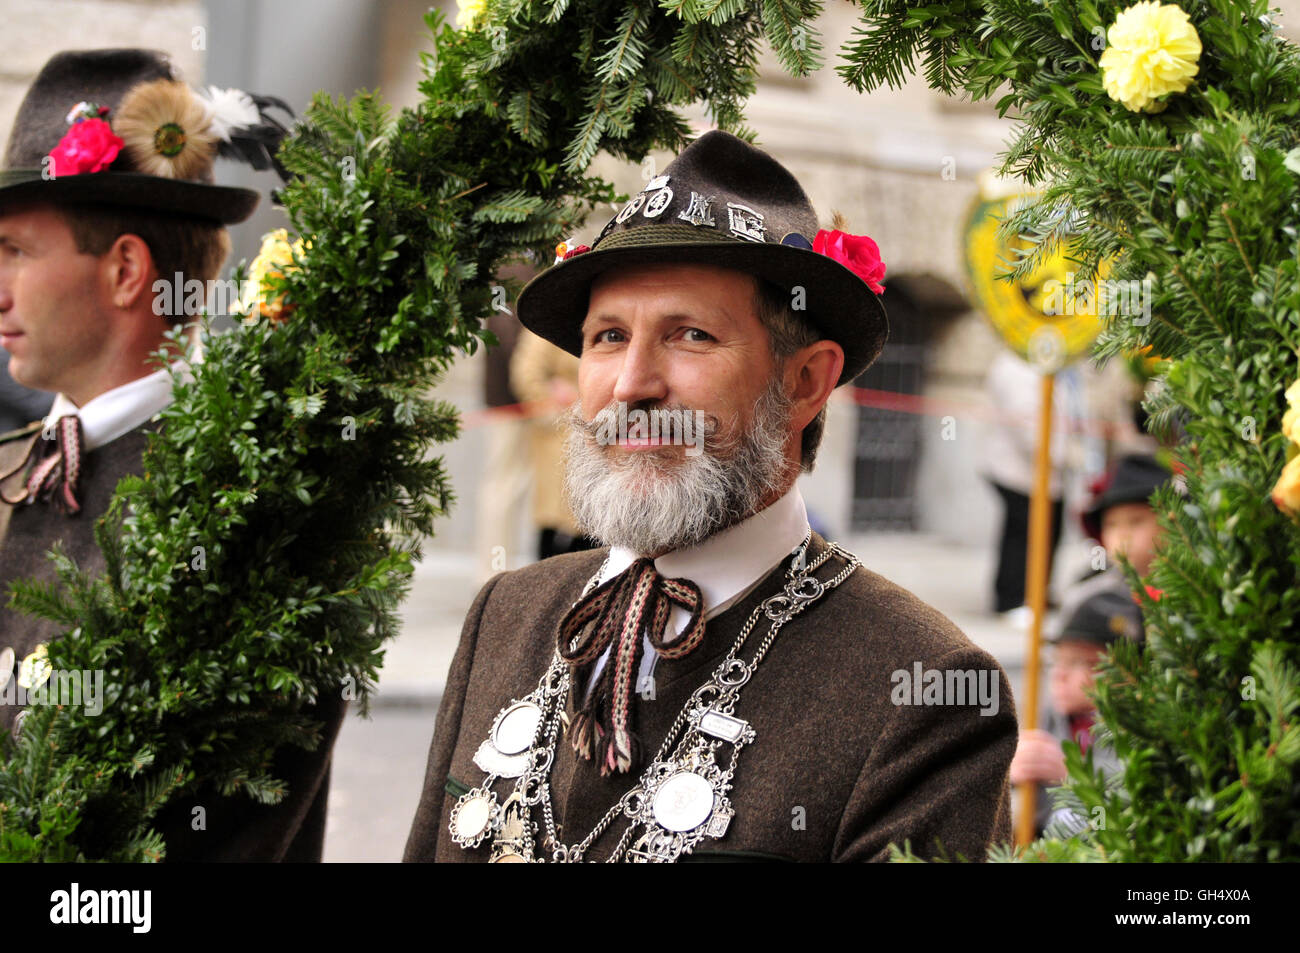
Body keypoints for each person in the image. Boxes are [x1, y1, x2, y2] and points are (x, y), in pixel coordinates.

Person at [405, 130, 1017, 863]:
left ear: (805, 383)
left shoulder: (922, 688)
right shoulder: (504, 615)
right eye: (606, 337)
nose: (632, 383)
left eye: (689, 335)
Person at [0, 48, 341, 861]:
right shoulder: (19, 468)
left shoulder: (249, 505)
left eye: (15, 250)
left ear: (124, 270)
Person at [1009, 589, 1139, 836]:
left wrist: (1073, 775)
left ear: (1125, 674)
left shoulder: (1137, 728)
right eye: (1057, 660)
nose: (1060, 675)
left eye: (1080, 662)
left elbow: (1137, 796)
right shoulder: (1045, 716)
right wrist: (1011, 772)